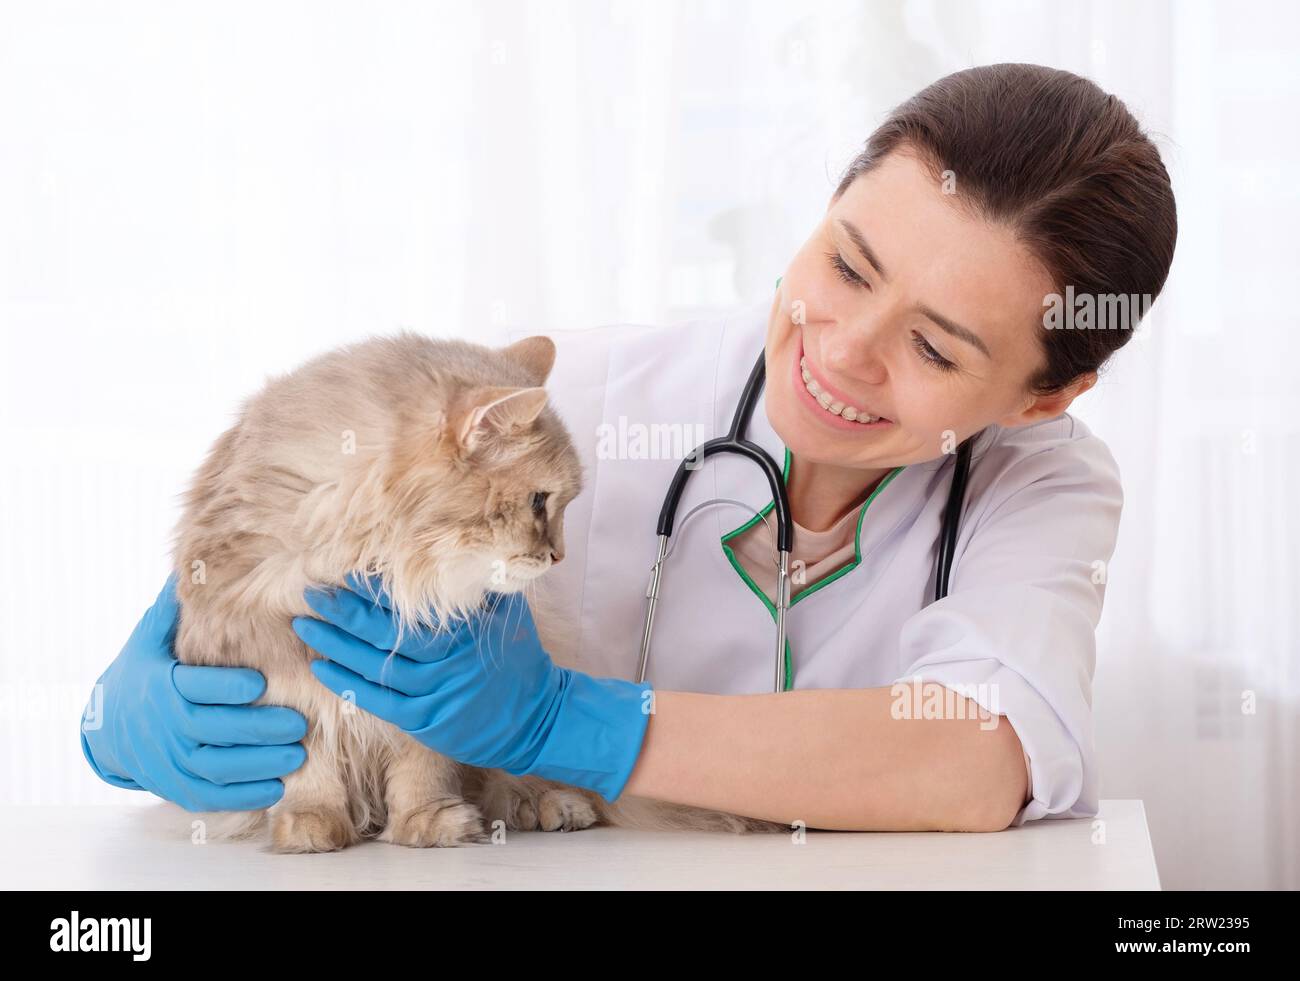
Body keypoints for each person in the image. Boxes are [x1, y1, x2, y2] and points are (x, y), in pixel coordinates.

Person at [81, 63, 1177, 832]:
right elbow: (283, 603)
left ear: (1044, 396)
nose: (840, 353)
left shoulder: (1043, 485)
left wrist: (570, 724)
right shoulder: (587, 401)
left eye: (931, 347)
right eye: (846, 266)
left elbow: (976, 763)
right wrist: (116, 724)